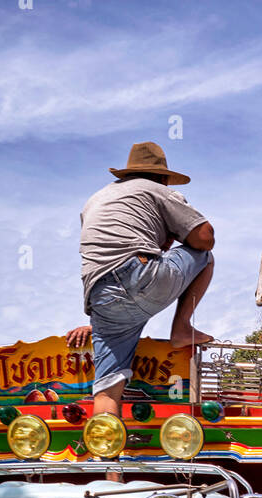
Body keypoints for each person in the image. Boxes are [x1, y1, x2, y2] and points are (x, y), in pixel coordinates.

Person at [66, 141, 215, 415]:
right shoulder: (156, 189)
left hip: (99, 297)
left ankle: (105, 453)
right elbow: (204, 238)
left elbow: (110, 249)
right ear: (161, 177)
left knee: (107, 387)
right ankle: (182, 327)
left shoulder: (95, 199)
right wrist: (174, 235)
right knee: (204, 257)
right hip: (139, 274)